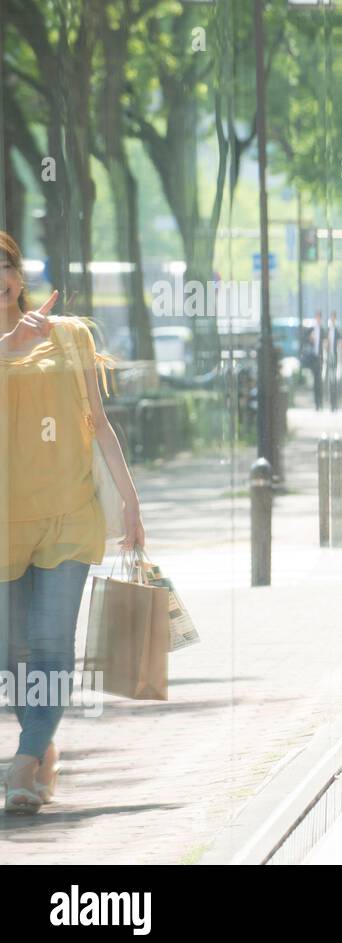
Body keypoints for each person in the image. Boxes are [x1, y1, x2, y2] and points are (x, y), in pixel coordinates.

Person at [0, 230, 146, 814]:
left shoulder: (69, 335)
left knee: (52, 643)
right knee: (11, 656)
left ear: (18, 275)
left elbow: (99, 422)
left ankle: (23, 759)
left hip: (69, 514)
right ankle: (42, 751)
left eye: (4, 267)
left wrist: (131, 503)